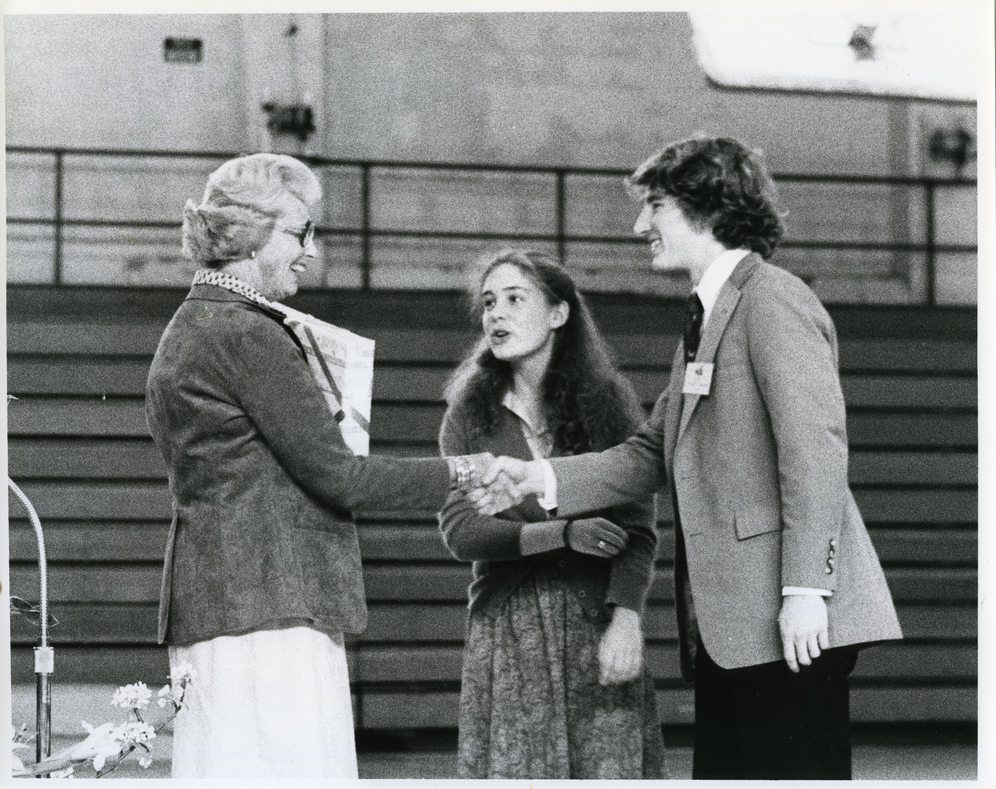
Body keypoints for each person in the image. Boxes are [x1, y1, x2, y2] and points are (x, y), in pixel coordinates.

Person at [473, 136, 903, 780]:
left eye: (655, 205)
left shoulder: (772, 299)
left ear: (707, 206)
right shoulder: (706, 315)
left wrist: (808, 589)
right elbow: (653, 451)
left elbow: (814, 453)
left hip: (786, 619)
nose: (640, 224)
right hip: (734, 628)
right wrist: (538, 475)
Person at [144, 153, 491, 779]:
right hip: (268, 606)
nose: (311, 250)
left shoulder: (197, 322)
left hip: (231, 601)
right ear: (250, 236)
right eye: (300, 231)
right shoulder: (246, 332)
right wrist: (463, 472)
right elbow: (340, 477)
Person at [438, 249, 667, 779]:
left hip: (598, 622)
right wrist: (563, 534)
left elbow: (638, 530)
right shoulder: (469, 413)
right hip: (510, 628)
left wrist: (628, 619)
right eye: (489, 303)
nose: (496, 314)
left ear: (558, 313)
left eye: (516, 299)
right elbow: (464, 531)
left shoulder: (608, 403)